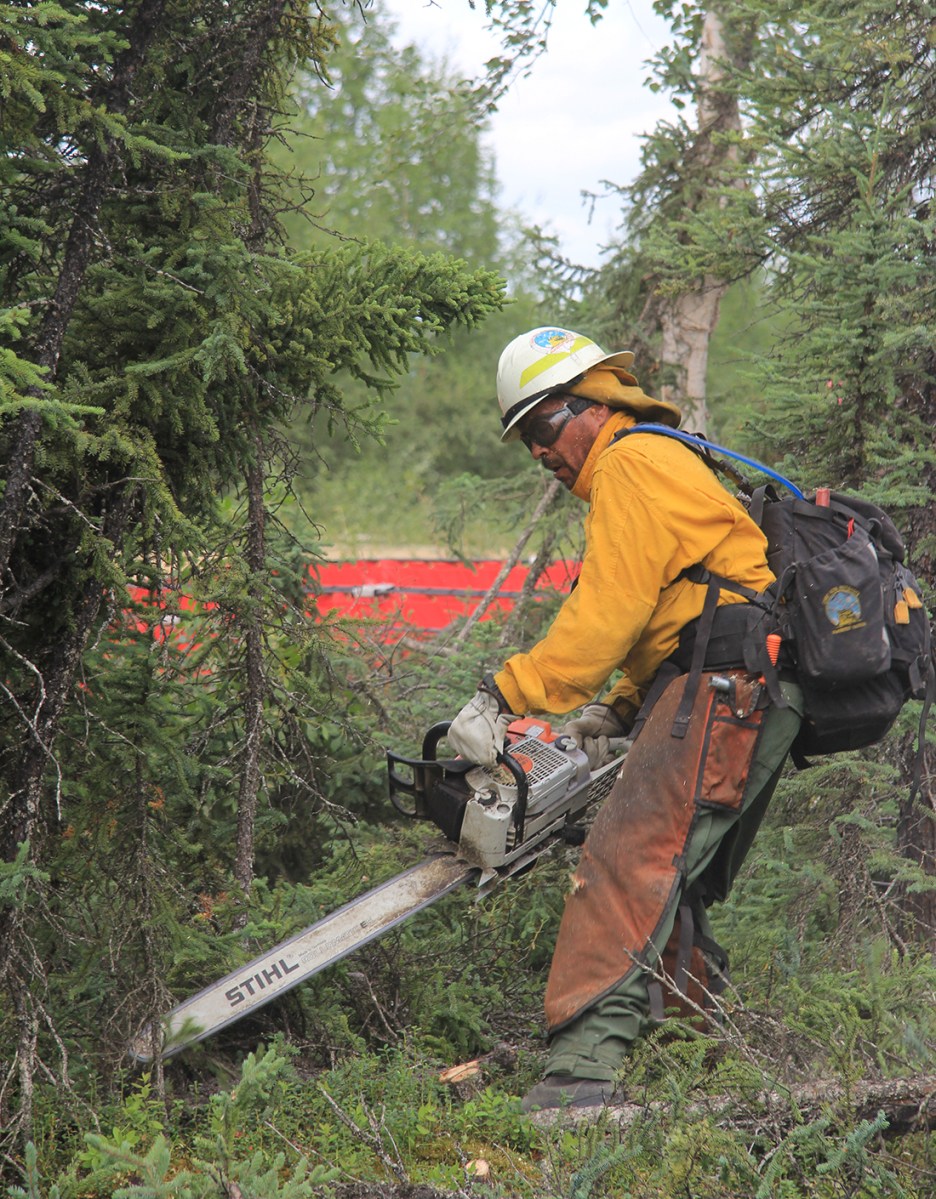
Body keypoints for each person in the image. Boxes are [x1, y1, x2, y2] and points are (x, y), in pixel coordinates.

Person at [447, 326, 803, 1112]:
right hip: (740, 674)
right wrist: (620, 706)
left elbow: (606, 613)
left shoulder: (632, 463)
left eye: (542, 427)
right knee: (679, 875)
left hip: (729, 677)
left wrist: (505, 693)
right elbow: (678, 599)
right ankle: (690, 1061)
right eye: (524, 440)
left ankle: (578, 1078)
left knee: (624, 857)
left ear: (589, 403)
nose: (539, 452)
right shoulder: (652, 458)